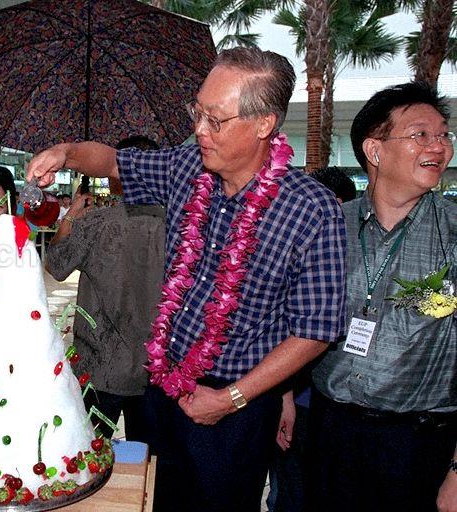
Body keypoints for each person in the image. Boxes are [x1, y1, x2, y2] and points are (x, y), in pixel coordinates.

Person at [27, 47, 347, 511]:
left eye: (215, 120)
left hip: (236, 403)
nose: (199, 130)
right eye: (197, 112)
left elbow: (316, 331)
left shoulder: (310, 210)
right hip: (161, 385)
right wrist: (66, 152)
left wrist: (230, 398)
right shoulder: (185, 166)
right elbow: (114, 163)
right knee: (156, 500)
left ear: (264, 124)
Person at [309, 82, 456, 512]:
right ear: (374, 151)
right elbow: (297, 320)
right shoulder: (330, 227)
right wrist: (284, 398)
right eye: (420, 134)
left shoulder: (453, 234)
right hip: (329, 428)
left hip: (417, 443)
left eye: (444, 134)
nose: (439, 146)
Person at [45, 135, 164, 442]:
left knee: (89, 455)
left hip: (100, 365)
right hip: (157, 370)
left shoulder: (97, 222)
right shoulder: (182, 224)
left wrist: (72, 214)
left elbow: (56, 265)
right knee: (147, 461)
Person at [268, 166, 357, 512]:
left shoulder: (356, 254)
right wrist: (284, 396)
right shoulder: (290, 254)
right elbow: (281, 328)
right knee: (287, 489)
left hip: (340, 403)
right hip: (297, 397)